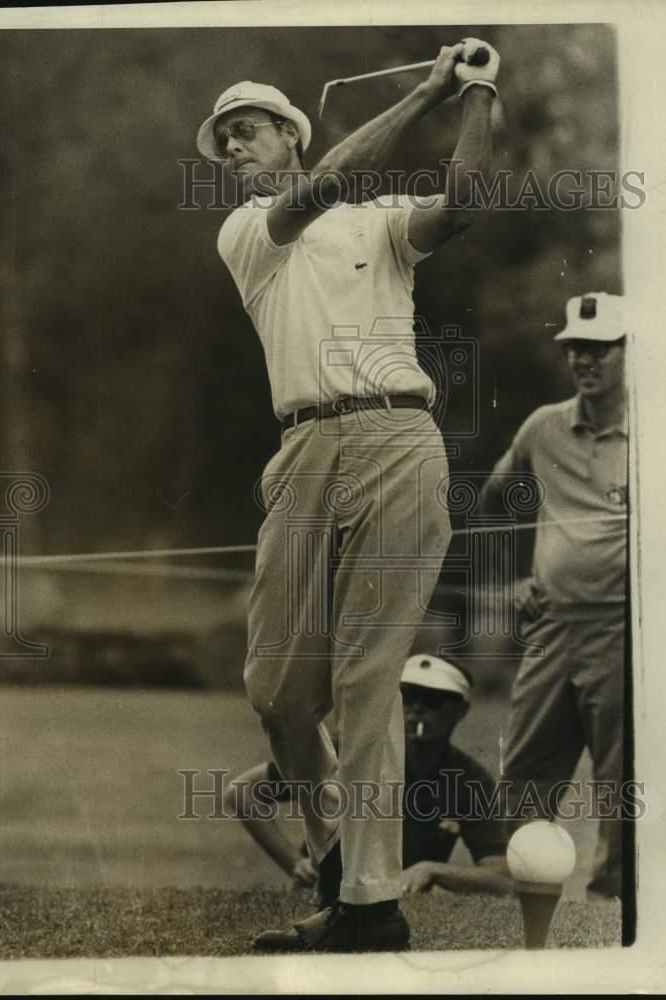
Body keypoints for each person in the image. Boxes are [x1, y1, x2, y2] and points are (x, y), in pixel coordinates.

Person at [197, 38, 500, 951]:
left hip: (398, 439)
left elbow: (466, 202)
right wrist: (429, 88)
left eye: (248, 132)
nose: (236, 149)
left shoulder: (384, 221)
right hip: (303, 451)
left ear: (291, 132)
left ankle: (369, 904)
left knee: (369, 677)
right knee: (279, 692)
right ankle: (341, 863)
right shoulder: (249, 231)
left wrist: (478, 91)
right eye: (227, 141)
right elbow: (332, 179)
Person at [478, 292, 629, 898]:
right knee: (526, 771)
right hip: (550, 628)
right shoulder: (543, 428)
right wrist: (515, 576)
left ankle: (615, 899)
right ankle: (524, 888)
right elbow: (493, 500)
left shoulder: (665, 432)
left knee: (622, 776)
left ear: (629, 353)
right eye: (575, 350)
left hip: (623, 630)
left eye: (599, 349)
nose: (584, 361)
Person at [223, 654, 511, 907]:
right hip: (325, 895)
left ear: (461, 711)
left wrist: (431, 870)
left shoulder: (469, 781)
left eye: (434, 700)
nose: (417, 709)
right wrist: (293, 862)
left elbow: (502, 877)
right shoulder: (347, 752)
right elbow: (242, 792)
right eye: (408, 696)